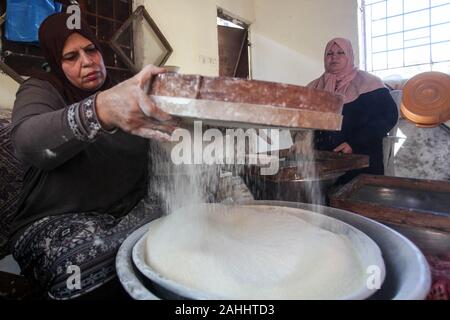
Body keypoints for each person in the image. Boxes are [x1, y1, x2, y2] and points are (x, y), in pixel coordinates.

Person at [9, 13, 178, 299]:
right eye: (70, 57)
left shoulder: (125, 94)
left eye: (91, 50)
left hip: (125, 212)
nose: (87, 62)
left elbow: (161, 153)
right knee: (84, 264)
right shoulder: (41, 90)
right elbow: (28, 143)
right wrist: (101, 111)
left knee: (193, 222)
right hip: (57, 220)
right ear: (54, 62)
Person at [293, 37, 398, 184]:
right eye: (329, 53)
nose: (334, 57)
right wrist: (300, 141)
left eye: (340, 52)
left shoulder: (369, 82)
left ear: (349, 55)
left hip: (360, 160)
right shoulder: (313, 87)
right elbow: (299, 120)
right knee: (322, 203)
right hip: (321, 162)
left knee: (354, 202)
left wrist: (354, 143)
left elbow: (388, 116)